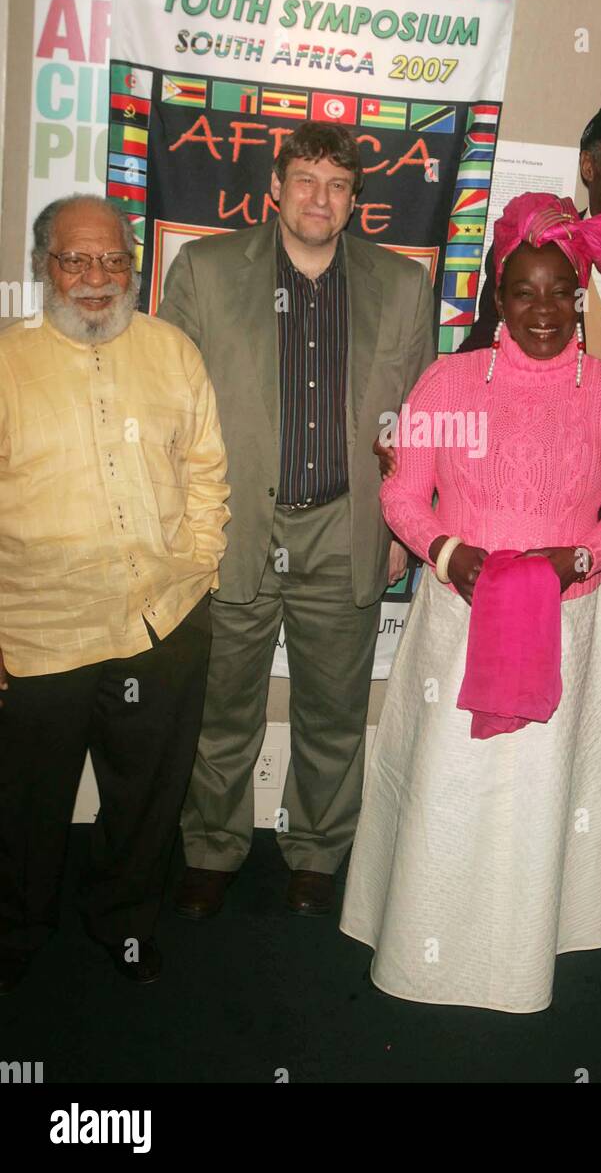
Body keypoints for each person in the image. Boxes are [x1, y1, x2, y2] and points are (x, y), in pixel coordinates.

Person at [340, 193, 601, 1013]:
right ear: (498, 296)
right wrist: (449, 554)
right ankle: (420, 945)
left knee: (534, 796)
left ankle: (520, 954)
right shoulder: (449, 385)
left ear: (580, 294)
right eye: (523, 291)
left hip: (565, 622)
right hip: (459, 619)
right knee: (448, 786)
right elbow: (403, 494)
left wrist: (578, 557)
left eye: (559, 291)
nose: (542, 310)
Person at [159, 121, 435, 921]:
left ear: (355, 201)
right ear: (275, 189)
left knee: (334, 714)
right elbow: (169, 408)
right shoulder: (206, 271)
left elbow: (417, 422)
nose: (321, 198)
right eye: (306, 180)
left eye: (338, 185)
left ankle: (316, 852)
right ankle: (210, 847)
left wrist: (399, 529)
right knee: (222, 709)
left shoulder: (401, 286)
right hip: (236, 527)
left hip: (345, 529)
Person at [0, 196, 229, 994]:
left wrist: (199, 563)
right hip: (38, 634)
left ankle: (124, 922)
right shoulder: (8, 362)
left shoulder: (172, 352)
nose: (96, 278)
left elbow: (206, 470)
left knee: (147, 797)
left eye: (113, 261)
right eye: (76, 259)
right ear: (45, 267)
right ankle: (16, 931)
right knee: (26, 803)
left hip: (161, 623)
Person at [462, 102, 601, 723]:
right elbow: (478, 356)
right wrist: (417, 433)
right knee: (523, 664)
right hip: (539, 505)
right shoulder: (542, 246)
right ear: (589, 167)